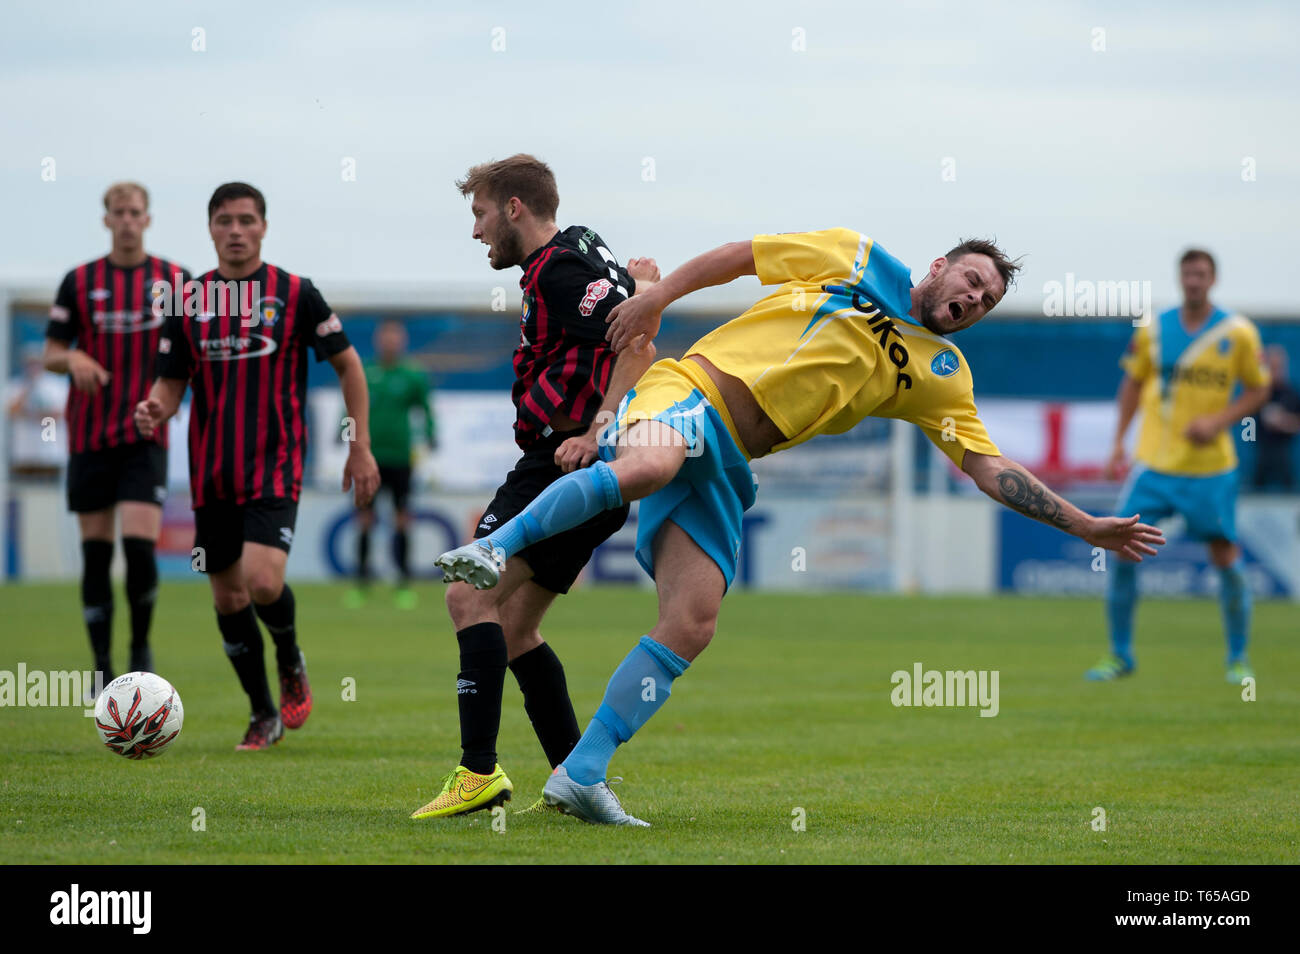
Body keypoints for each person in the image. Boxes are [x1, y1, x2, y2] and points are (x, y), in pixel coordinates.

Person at [437, 227, 1165, 825]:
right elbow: (742, 258)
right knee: (651, 465)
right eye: (971, 280)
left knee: (692, 622)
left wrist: (1086, 526)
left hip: (726, 461)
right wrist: (659, 293)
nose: (974, 297)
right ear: (939, 267)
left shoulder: (941, 372)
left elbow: (985, 467)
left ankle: (581, 774)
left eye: (987, 299)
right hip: (689, 389)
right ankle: (492, 548)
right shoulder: (855, 255)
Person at [411, 154, 660, 819]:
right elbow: (631, 315)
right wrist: (641, 285)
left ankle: (478, 772)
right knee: (515, 629)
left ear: (514, 208)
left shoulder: (559, 270)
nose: (476, 231)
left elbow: (639, 345)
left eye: (480, 214)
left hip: (563, 464)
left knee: (468, 595)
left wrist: (598, 427)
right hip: (583, 473)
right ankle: (574, 778)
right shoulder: (582, 246)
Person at [135, 182, 380, 750]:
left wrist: (359, 443)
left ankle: (290, 656)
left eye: (247, 220)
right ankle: (262, 712)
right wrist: (155, 407)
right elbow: (170, 385)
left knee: (263, 581)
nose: (237, 230)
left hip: (276, 462)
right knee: (227, 598)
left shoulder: (296, 294)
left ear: (264, 227)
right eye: (225, 221)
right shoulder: (187, 300)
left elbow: (349, 366)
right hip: (212, 471)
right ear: (211, 229)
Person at [1094, 249, 1271, 684]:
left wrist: (1219, 420)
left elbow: (1258, 390)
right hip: (1153, 465)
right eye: (1188, 273)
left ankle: (1238, 659)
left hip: (1211, 469)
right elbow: (1132, 384)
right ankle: (1120, 656)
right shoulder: (1154, 328)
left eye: (1202, 274)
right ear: (1180, 278)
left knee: (1224, 555)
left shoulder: (1239, 333)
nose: (1194, 280)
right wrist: (1118, 442)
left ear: (1213, 279)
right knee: (1120, 548)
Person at [43, 181, 190, 684]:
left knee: (140, 546)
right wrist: (74, 357)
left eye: (135, 212)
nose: (127, 220)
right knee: (96, 552)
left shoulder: (174, 280)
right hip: (89, 435)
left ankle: (141, 650)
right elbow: (52, 352)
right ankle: (102, 666)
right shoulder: (78, 281)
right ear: (106, 219)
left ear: (148, 219)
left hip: (146, 432)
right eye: (118, 212)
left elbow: (195, 349)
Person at [345, 319, 436, 610]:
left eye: (395, 338)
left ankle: (403, 583)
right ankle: (361, 584)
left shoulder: (412, 375)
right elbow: (348, 406)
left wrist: (432, 434)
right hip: (368, 458)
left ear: (403, 342)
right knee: (365, 520)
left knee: (401, 520)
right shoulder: (364, 372)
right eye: (386, 338)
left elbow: (426, 407)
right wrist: (344, 431)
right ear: (377, 340)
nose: (390, 343)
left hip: (400, 458)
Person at [6, 345, 68, 479]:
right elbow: (11, 411)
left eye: (36, 363)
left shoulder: (57, 386)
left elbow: (57, 415)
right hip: (23, 455)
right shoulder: (16, 386)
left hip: (50, 455)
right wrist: (28, 388)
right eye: (30, 363)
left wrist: (30, 414)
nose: (33, 367)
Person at [1252, 345, 1300, 490]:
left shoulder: (1292, 394)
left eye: (1279, 367)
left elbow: (1297, 425)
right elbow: (1246, 431)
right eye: (1272, 367)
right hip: (1260, 454)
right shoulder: (1255, 395)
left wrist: (1283, 421)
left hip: (1285, 454)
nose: (1276, 372)